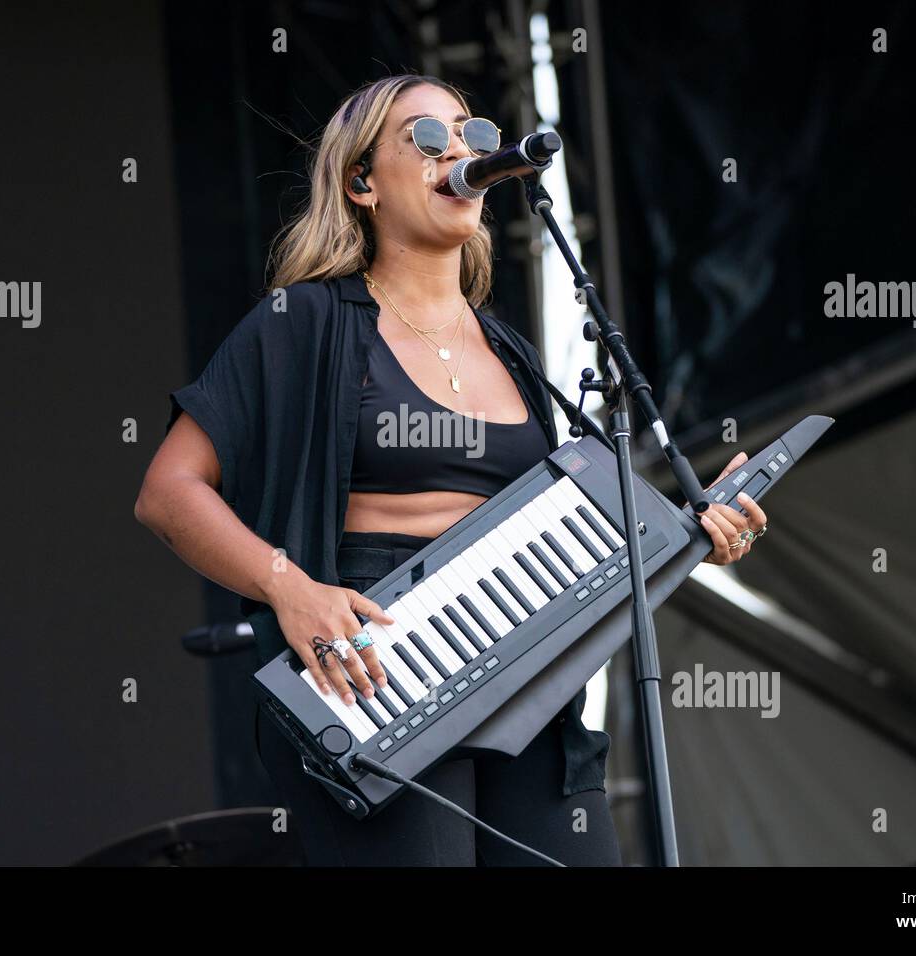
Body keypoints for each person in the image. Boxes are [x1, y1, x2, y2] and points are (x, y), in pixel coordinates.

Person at [134, 74, 768, 866]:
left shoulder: (513, 353)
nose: (460, 151)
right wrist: (289, 587)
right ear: (362, 184)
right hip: (374, 673)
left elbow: (578, 541)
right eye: (426, 138)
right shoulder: (304, 322)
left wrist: (689, 533)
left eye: (471, 133)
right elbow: (168, 493)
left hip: (527, 669)